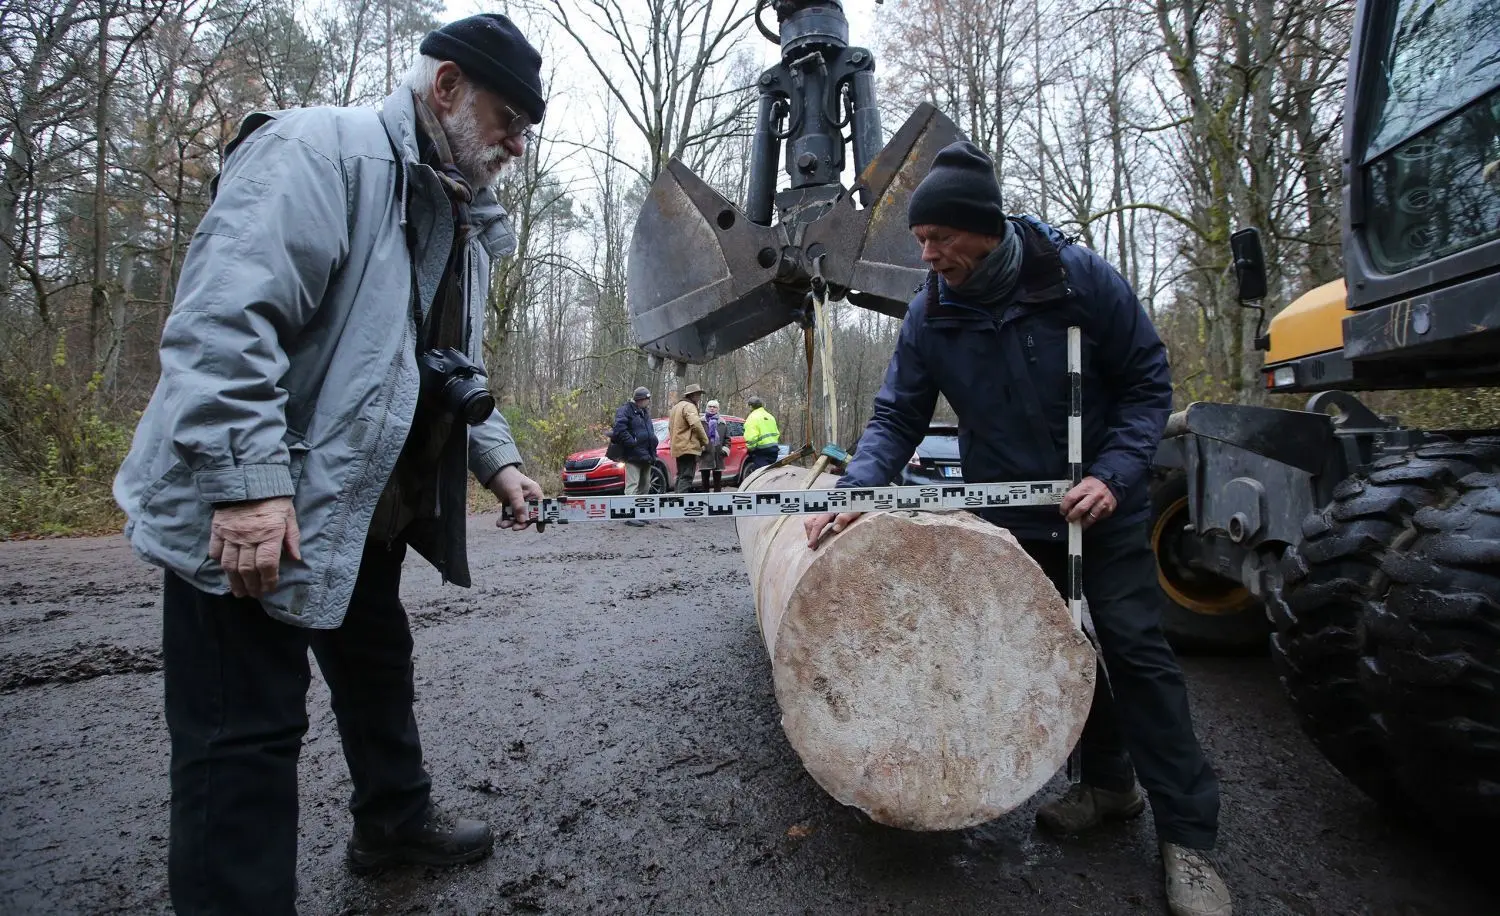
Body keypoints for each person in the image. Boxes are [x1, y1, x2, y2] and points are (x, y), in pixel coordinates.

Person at [111, 14, 548, 913]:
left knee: (377, 662)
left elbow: (435, 367)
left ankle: (392, 822)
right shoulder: (322, 155)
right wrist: (247, 489)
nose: (516, 142)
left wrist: (498, 463)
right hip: (261, 504)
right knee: (244, 732)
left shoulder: (456, 218)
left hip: (353, 506)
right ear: (447, 88)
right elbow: (226, 323)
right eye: (508, 117)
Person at [801, 141, 1231, 916]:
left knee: (1135, 649)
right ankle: (1107, 787)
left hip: (1102, 500)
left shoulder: (1078, 280)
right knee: (1054, 644)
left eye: (939, 240)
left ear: (984, 228)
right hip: (1010, 510)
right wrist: (856, 490)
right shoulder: (934, 310)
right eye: (921, 241)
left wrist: (1115, 474)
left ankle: (1191, 840)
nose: (927, 256)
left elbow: (1145, 386)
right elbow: (898, 412)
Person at [612, 386, 659, 526]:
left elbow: (649, 431)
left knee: (645, 486)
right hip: (633, 455)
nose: (648, 402)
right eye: (647, 399)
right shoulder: (625, 410)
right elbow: (619, 429)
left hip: (646, 454)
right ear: (640, 399)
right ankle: (629, 515)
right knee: (632, 486)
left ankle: (641, 513)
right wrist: (632, 442)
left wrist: (653, 447)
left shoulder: (644, 412)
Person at [669, 383, 710, 493]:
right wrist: (704, 441)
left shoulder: (676, 407)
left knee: (681, 475)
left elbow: (670, 427)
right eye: (698, 395)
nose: (699, 397)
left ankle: (676, 501)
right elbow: (696, 424)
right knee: (687, 476)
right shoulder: (689, 407)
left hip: (678, 447)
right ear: (692, 395)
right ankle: (681, 502)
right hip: (688, 447)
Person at [741, 395, 781, 479]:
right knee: (770, 476)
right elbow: (777, 433)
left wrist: (750, 448)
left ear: (750, 406)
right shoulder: (770, 417)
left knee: (761, 477)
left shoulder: (752, 418)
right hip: (774, 451)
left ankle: (764, 492)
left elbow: (751, 438)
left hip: (761, 452)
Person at [698, 398, 731, 492]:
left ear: (718, 409)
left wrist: (724, 451)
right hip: (705, 456)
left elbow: (727, 439)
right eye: (710, 406)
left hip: (718, 456)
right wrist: (700, 448)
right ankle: (705, 501)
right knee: (704, 482)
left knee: (717, 483)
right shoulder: (701, 422)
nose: (712, 408)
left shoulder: (722, 423)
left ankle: (717, 502)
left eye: (714, 407)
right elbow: (695, 438)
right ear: (706, 408)